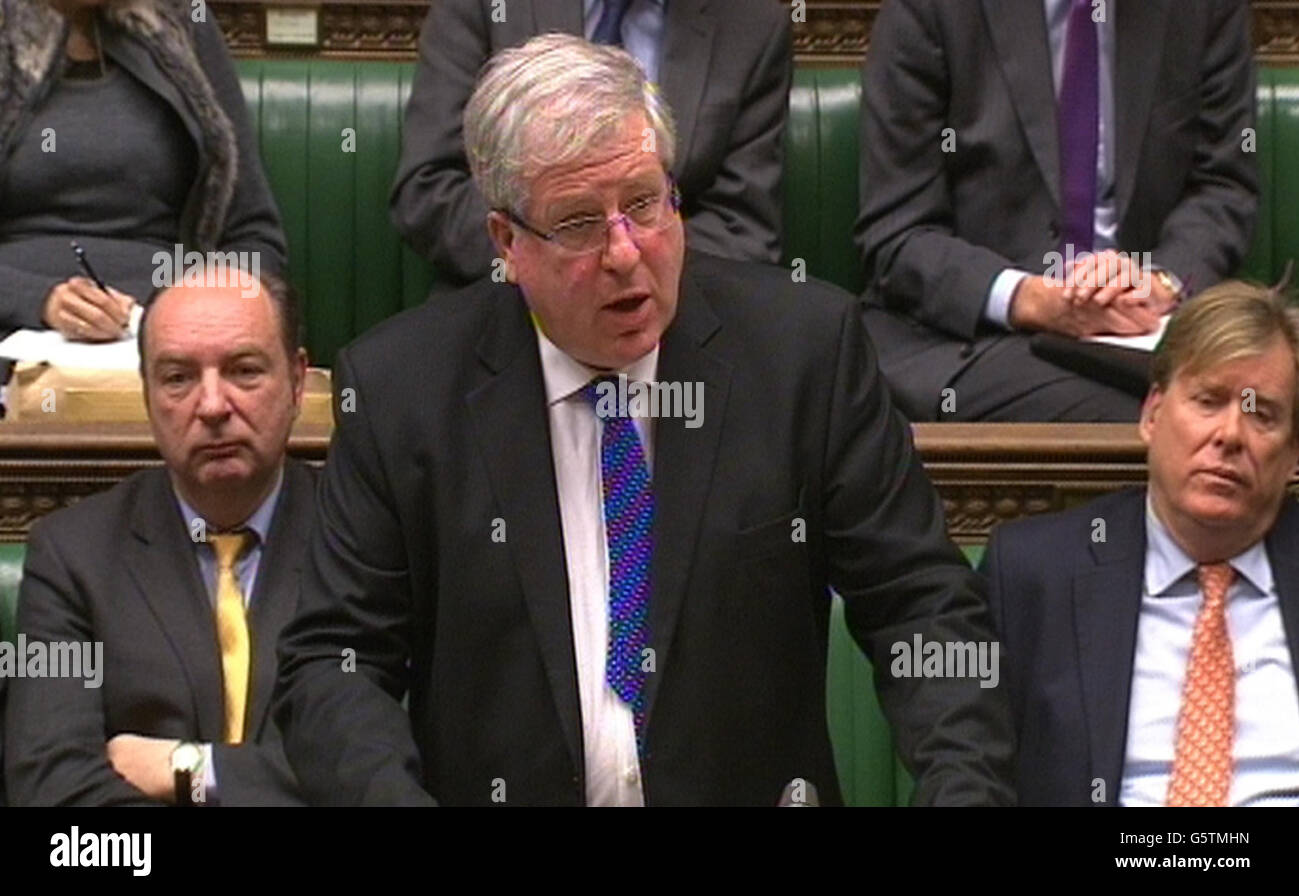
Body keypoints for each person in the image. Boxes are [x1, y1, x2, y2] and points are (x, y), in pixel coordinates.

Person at [276, 34, 1014, 807]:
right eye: (579, 225)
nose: (626, 253)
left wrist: (963, 790)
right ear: (506, 242)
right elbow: (335, 662)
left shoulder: (803, 356)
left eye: (643, 204)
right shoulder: (403, 393)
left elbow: (922, 612)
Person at [856, 0, 1258, 422]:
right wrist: (1031, 300)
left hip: (1150, 332)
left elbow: (1223, 187)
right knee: (1181, 420)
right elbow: (897, 232)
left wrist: (1159, 281)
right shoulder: (933, 9)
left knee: (1254, 393)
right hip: (975, 338)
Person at [984, 281, 1299, 806]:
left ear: (1293, 455)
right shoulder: (1034, 573)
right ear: (1152, 414)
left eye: (1261, 413)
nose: (1230, 435)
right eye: (1208, 400)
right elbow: (973, 772)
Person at [4, 272, 311, 806]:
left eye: (243, 371)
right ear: (146, 393)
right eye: (178, 378)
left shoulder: (369, 538)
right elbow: (47, 783)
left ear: (298, 381)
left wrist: (190, 769)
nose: (213, 405)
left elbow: (399, 768)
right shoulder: (69, 554)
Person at [389, 0, 791, 287]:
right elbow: (429, 188)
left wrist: (633, 271)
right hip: (508, 307)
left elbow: (742, 228)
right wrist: (561, 265)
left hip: (674, 324)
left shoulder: (752, 21)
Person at [0, 0, 286, 341]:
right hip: (13, 326)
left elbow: (255, 240)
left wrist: (174, 310)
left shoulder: (182, 19)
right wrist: (38, 301)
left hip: (170, 332)